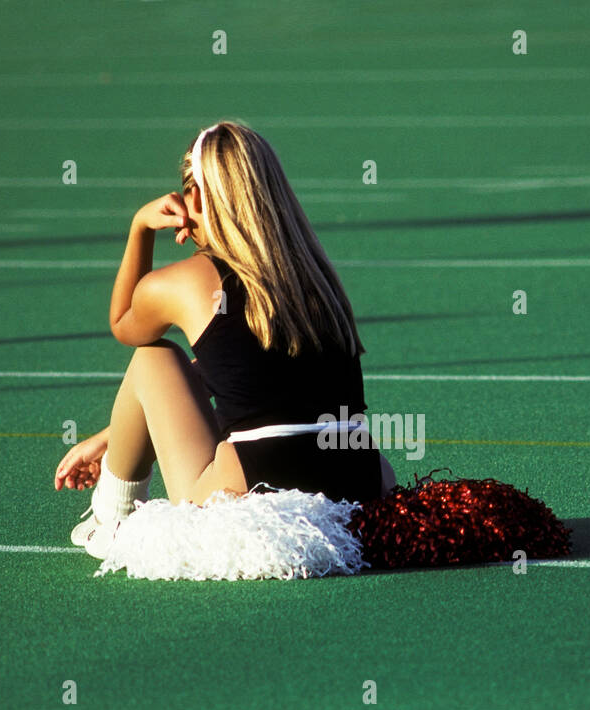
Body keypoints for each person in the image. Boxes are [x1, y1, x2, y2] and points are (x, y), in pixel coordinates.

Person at [54, 121, 394, 558]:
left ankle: (112, 516)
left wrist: (140, 227)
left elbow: (124, 323)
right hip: (359, 475)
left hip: (251, 483)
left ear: (196, 196)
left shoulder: (186, 281)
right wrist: (113, 433)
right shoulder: (315, 274)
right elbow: (250, 379)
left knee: (153, 358)